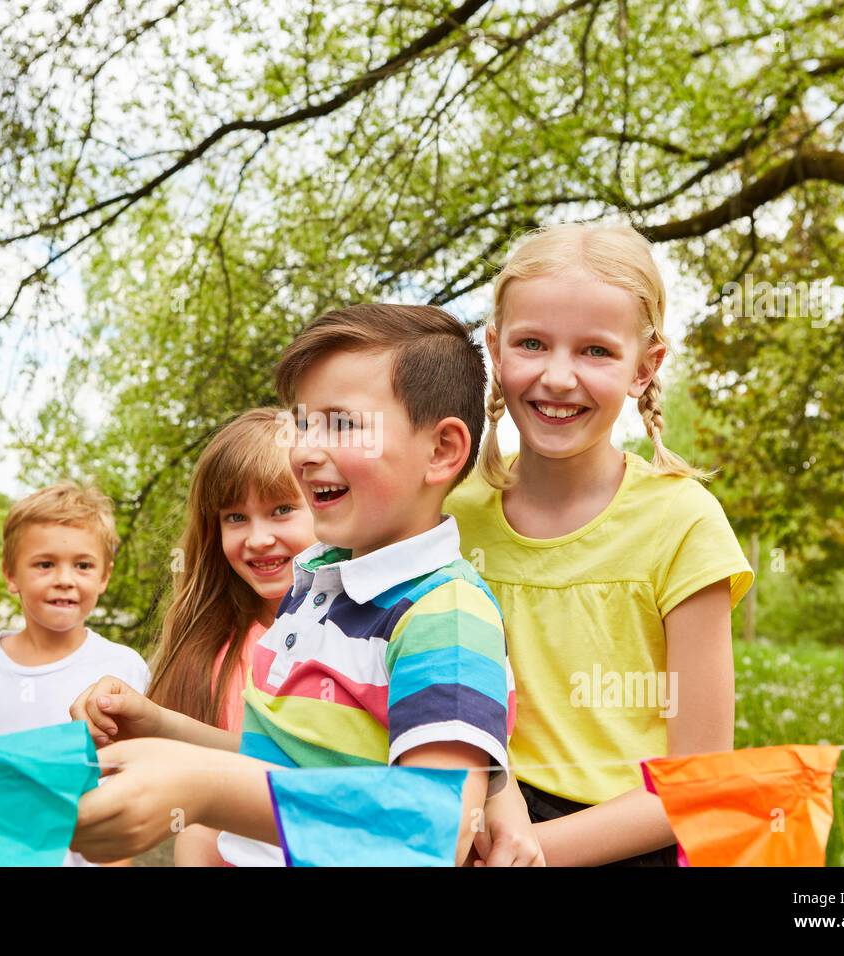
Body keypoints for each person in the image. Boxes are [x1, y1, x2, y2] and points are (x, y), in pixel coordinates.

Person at [68, 304, 539, 866]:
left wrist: (202, 788)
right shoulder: (313, 586)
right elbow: (284, 765)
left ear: (441, 451)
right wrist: (156, 728)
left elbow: (433, 823)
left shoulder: (447, 614)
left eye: (341, 424)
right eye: (304, 423)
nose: (307, 451)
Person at [444, 223, 754, 866]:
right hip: (471, 823)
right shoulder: (449, 514)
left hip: (620, 841)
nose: (559, 377)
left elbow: (698, 778)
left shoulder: (683, 524)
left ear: (646, 367)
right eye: (532, 343)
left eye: (595, 352)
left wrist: (533, 851)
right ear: (495, 349)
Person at [0, 481, 150, 867]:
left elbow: (134, 790)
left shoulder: (124, 668)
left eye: (83, 565)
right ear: (11, 575)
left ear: (105, 577)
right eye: (45, 564)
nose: (65, 579)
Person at [146, 408, 316, 865]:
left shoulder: (360, 640)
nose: (258, 538)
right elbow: (200, 816)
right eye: (236, 517)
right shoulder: (213, 658)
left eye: (282, 510)